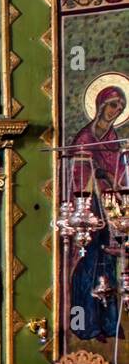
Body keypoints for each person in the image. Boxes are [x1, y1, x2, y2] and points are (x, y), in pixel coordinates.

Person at [69, 85, 127, 341]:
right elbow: (76, 169)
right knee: (88, 263)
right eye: (114, 105)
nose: (116, 111)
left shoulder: (114, 141)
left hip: (109, 209)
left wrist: (113, 182)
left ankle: (110, 322)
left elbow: (119, 174)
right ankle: (88, 324)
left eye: (121, 108)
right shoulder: (85, 138)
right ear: (102, 106)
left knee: (109, 262)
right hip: (89, 211)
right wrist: (98, 173)